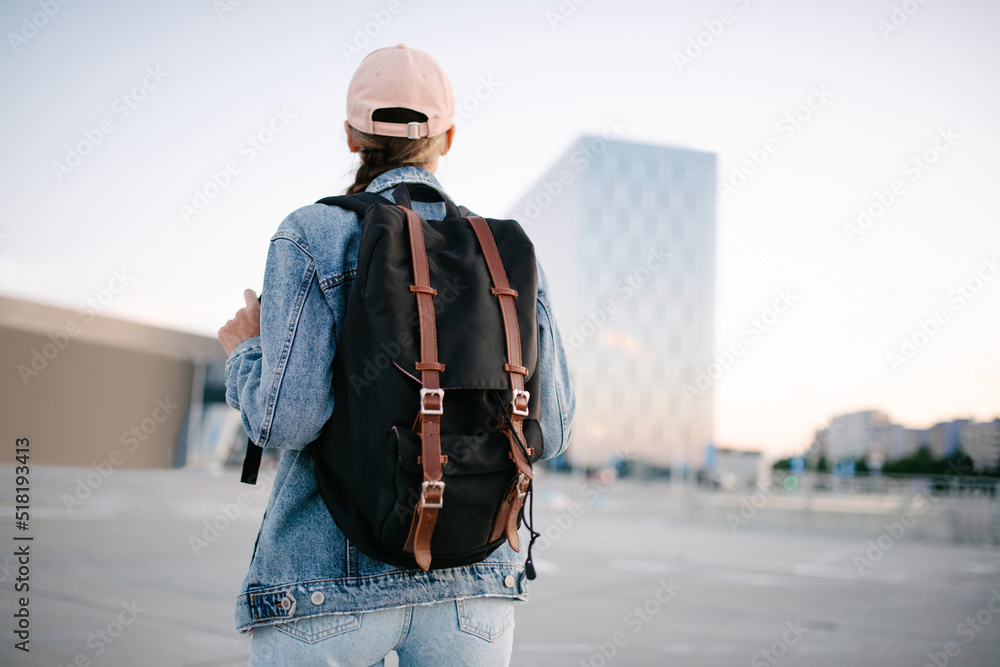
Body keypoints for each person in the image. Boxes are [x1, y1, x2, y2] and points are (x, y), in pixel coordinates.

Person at [217, 44, 575, 666]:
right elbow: (558, 427)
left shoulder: (314, 233)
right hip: (475, 592)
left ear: (352, 137)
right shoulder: (507, 254)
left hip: (325, 583)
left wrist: (246, 352)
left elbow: (285, 420)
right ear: (449, 137)